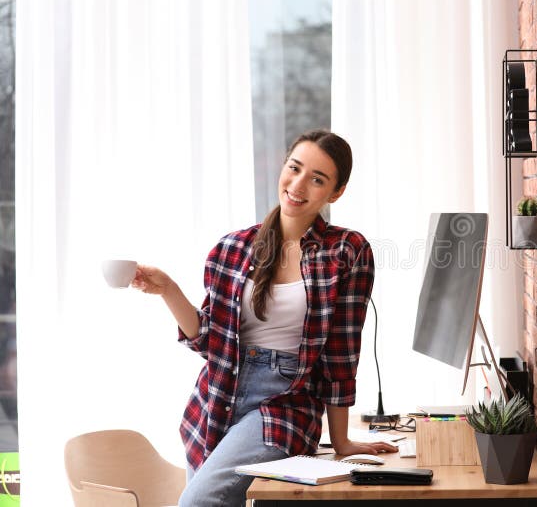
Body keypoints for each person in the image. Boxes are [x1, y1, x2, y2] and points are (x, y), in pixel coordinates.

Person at [132, 129, 397, 506]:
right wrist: (168, 290)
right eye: (295, 168)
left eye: (318, 179)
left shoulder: (347, 250)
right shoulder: (232, 248)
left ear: (335, 193)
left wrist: (341, 442)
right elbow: (208, 341)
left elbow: (341, 354)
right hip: (216, 398)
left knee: (197, 502)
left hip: (284, 404)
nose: (299, 184)